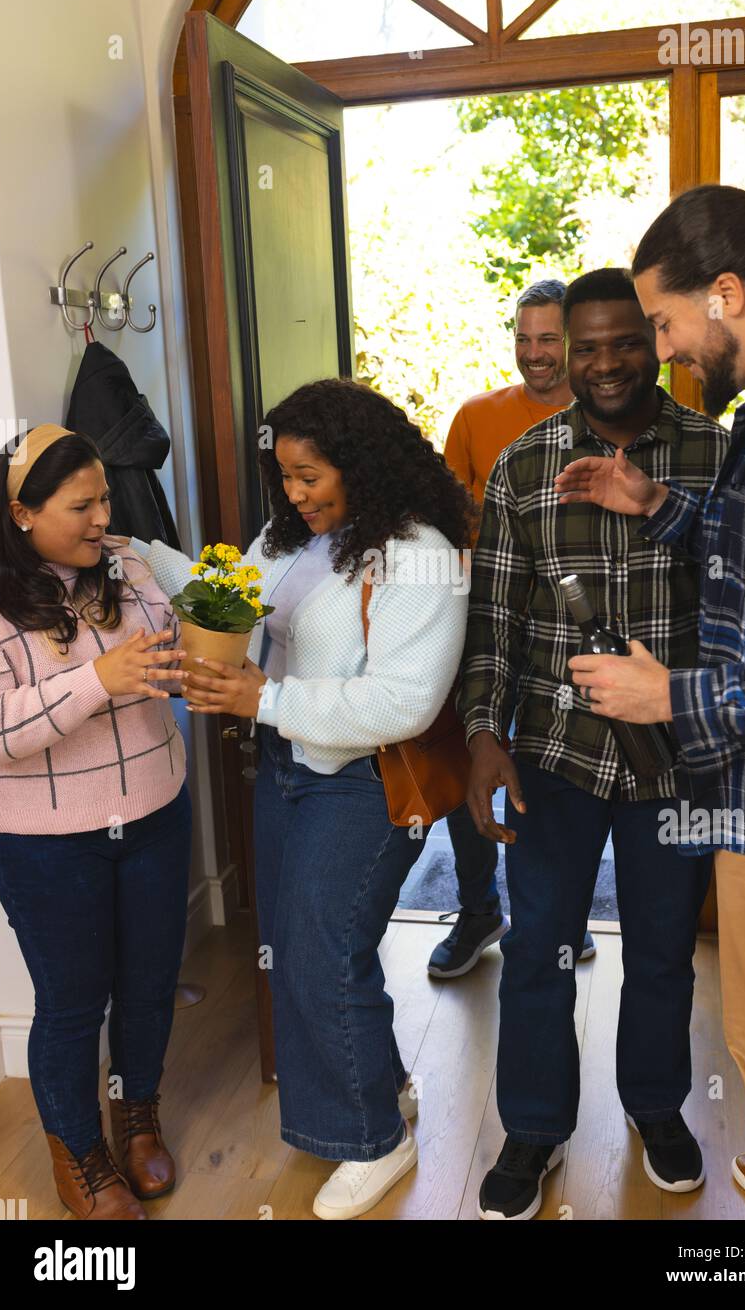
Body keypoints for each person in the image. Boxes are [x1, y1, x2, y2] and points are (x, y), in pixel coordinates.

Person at [556, 173, 745, 1222]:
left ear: (726, 292)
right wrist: (662, 506)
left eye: (670, 321)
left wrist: (678, 697)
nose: (666, 349)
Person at [138, 379, 474, 1220]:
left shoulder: (419, 552)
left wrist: (266, 702)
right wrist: (142, 551)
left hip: (362, 783)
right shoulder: (290, 540)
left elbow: (405, 703)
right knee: (298, 947)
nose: (293, 493)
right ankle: (385, 1089)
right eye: (283, 475)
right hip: (289, 768)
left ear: (359, 463)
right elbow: (230, 606)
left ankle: (373, 1142)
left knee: (324, 955)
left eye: (310, 475)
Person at [459, 269, 728, 1219]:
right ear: (561, 349)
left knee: (661, 950)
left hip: (677, 757)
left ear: (652, 341)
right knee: (538, 947)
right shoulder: (523, 465)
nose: (605, 362)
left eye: (624, 341)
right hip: (554, 756)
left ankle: (656, 1107)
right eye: (585, 346)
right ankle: (532, 1126)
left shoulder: (711, 452)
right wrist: (483, 738)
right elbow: (493, 613)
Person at [0, 425, 191, 1221]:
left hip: (154, 813)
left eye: (105, 496)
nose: (104, 516)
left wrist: (174, 654)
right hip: (44, 842)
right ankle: (78, 1153)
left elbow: (162, 644)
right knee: (72, 1004)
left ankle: (136, 1116)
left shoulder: (129, 562)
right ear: (22, 512)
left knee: (147, 988)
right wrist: (97, 680)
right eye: (83, 505)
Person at [431, 279, 596, 978]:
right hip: (484, 625)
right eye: (523, 339)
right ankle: (477, 910)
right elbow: (443, 525)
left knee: (556, 779)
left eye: (547, 339)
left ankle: (559, 919)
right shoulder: (475, 418)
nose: (534, 353)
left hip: (567, 639)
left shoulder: (605, 419)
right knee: (468, 759)